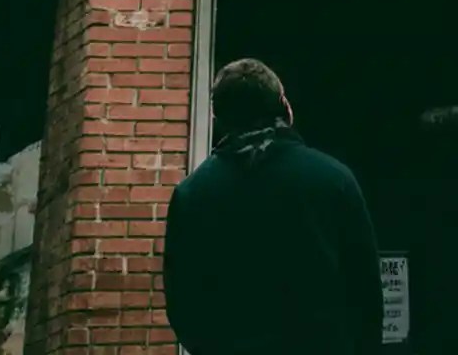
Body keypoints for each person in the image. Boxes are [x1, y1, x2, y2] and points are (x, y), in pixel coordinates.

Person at [164, 59, 383, 355]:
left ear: (217, 116)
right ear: (284, 106)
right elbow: (366, 293)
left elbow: (183, 305)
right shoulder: (333, 180)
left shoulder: (191, 194)